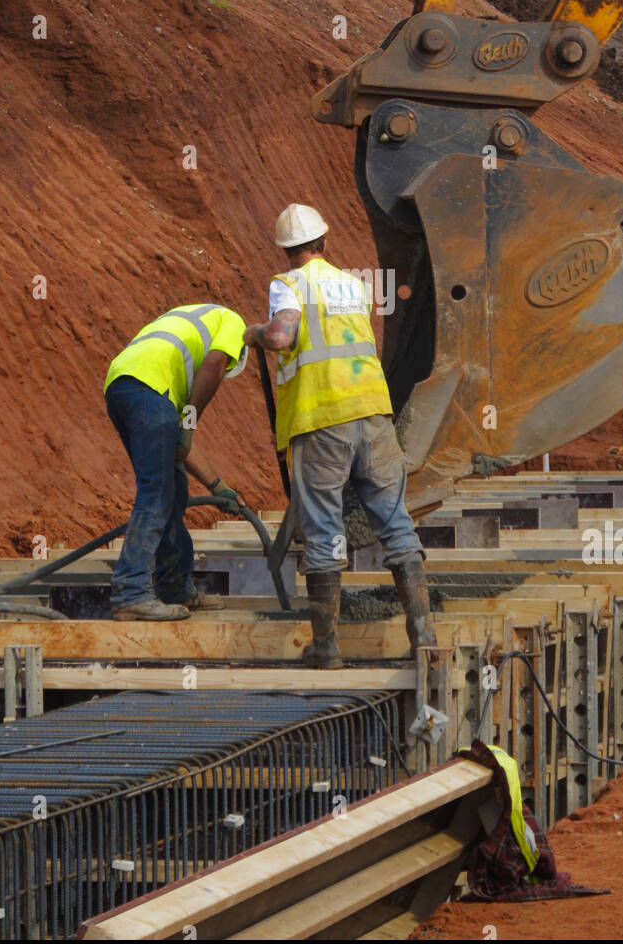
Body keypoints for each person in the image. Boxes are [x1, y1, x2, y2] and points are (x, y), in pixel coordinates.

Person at [244, 204, 435, 667]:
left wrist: (255, 334)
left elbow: (283, 335)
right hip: (373, 414)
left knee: (325, 530)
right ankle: (424, 638)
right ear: (325, 243)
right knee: (396, 524)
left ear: (287, 252)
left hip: (322, 419)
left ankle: (327, 648)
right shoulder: (353, 285)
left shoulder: (288, 284)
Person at [104, 302, 246, 621]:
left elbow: (180, 445)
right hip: (147, 388)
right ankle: (131, 591)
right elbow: (215, 362)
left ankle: (175, 588)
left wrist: (218, 487)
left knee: (174, 487)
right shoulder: (231, 322)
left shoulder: (183, 329)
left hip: (122, 383)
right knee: (157, 492)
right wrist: (191, 420)